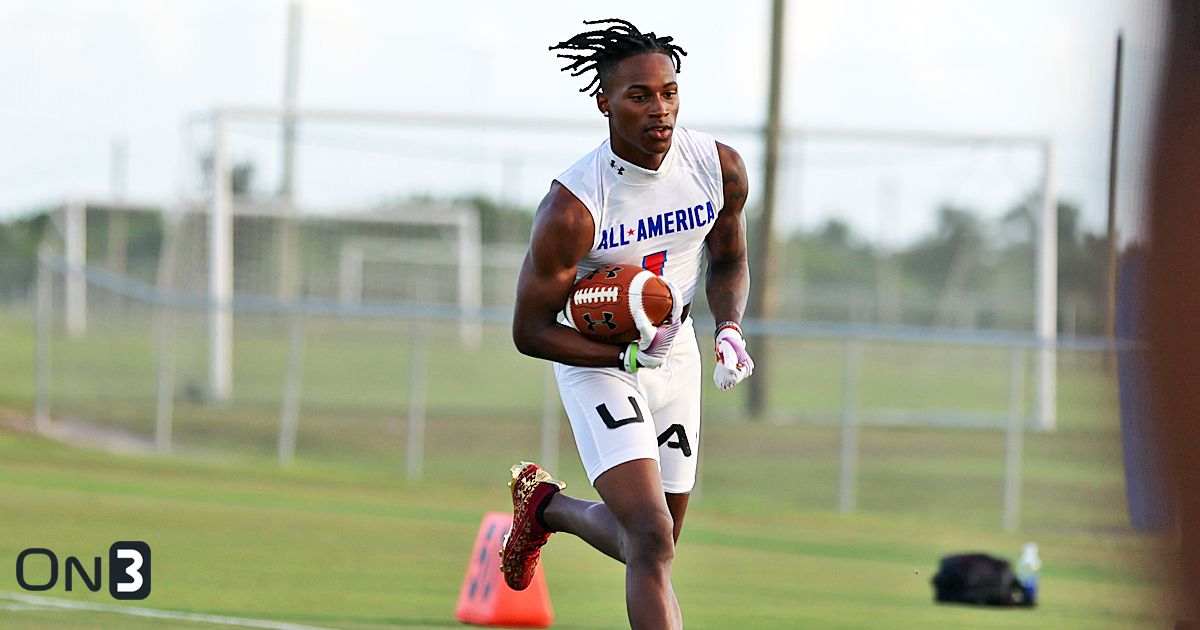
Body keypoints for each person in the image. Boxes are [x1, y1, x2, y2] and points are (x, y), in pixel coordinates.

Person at [504, 18, 753, 630]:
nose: (658, 109)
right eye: (639, 96)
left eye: (668, 92)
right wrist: (624, 360)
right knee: (650, 535)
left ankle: (546, 510)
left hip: (679, 356)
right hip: (600, 360)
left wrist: (728, 328)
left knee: (655, 544)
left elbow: (730, 258)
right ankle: (548, 511)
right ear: (605, 103)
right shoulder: (573, 206)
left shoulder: (717, 166)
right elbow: (528, 331)